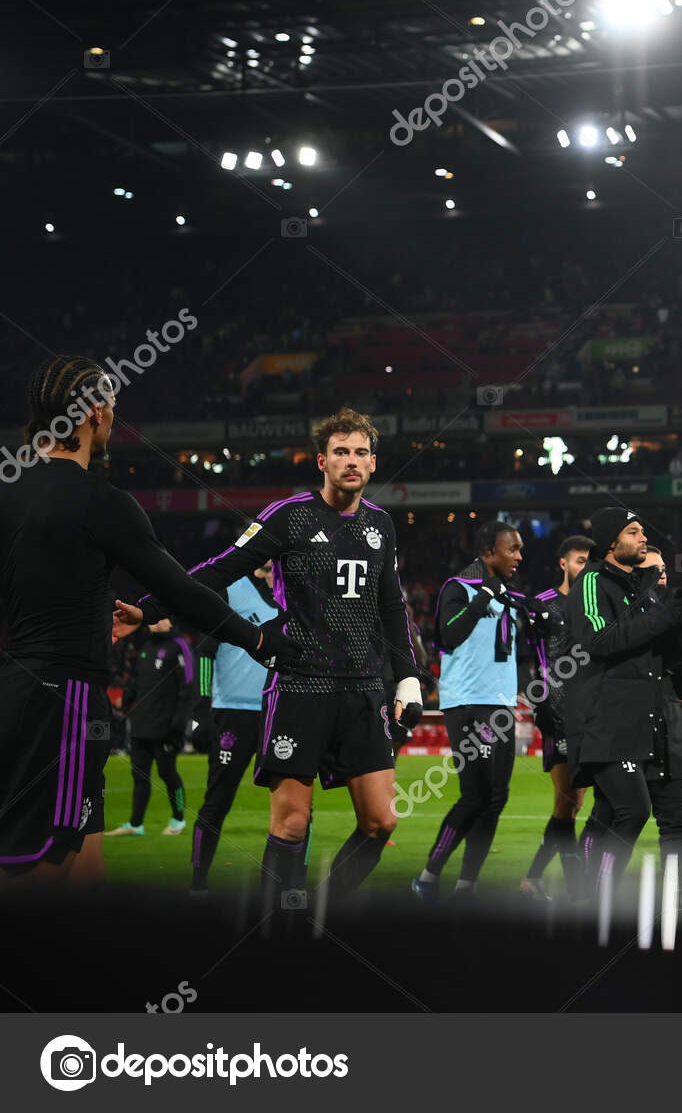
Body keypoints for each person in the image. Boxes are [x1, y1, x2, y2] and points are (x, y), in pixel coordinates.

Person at [120, 407, 426, 910]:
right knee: (290, 823)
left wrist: (407, 680)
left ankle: (319, 910)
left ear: (373, 463)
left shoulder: (382, 526)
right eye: (340, 452)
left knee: (381, 823)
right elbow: (217, 571)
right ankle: (278, 931)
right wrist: (148, 608)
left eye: (360, 453)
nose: (351, 461)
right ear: (322, 462)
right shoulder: (289, 516)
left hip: (363, 688)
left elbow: (391, 606)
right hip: (300, 685)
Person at [2, 354, 291, 881]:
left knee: (86, 866)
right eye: (111, 405)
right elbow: (182, 590)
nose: (113, 417)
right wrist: (258, 640)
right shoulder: (100, 501)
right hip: (62, 699)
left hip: (19, 688)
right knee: (38, 872)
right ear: (93, 414)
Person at [565, 508, 682, 895]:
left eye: (643, 531)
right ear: (611, 542)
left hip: (638, 721)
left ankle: (592, 895)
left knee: (614, 811)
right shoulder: (591, 581)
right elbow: (600, 640)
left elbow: (666, 660)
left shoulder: (639, 591)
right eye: (633, 532)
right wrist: (664, 618)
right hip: (604, 721)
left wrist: (681, 622)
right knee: (633, 810)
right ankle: (595, 894)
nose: (643, 538)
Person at [413, 521, 527, 900]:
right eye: (512, 549)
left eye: (520, 549)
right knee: (475, 796)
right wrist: (482, 600)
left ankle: (466, 884)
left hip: (501, 702)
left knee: (496, 797)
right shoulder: (457, 588)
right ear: (488, 550)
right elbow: (448, 636)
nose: (518, 556)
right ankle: (429, 874)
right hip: (469, 703)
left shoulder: (508, 596)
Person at [189, 560, 280, 894]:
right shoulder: (232, 589)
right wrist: (200, 712)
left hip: (280, 711)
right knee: (218, 801)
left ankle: (286, 887)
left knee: (296, 808)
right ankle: (198, 884)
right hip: (233, 712)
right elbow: (204, 652)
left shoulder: (296, 595)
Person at [521, 534, 594, 898]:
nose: (584, 568)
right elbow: (523, 655)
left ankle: (533, 878)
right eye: (579, 560)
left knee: (573, 804)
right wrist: (536, 701)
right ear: (564, 563)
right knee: (566, 801)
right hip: (556, 712)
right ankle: (577, 888)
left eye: (588, 562)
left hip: (588, 713)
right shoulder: (541, 604)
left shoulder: (595, 605)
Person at [106, 618, 195, 839]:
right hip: (141, 726)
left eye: (158, 619)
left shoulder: (179, 645)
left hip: (166, 728)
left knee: (168, 774)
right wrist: (125, 699)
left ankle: (179, 819)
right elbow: (135, 682)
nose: (153, 623)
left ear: (169, 621)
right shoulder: (145, 647)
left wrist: (178, 725)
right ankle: (136, 824)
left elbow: (187, 688)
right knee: (139, 776)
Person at [640, 546, 682, 879]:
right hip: (629, 732)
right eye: (653, 568)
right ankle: (590, 896)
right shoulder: (621, 616)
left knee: (675, 824)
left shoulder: (673, 615)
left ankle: (678, 897)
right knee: (616, 819)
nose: (662, 574)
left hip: (669, 730)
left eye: (664, 568)